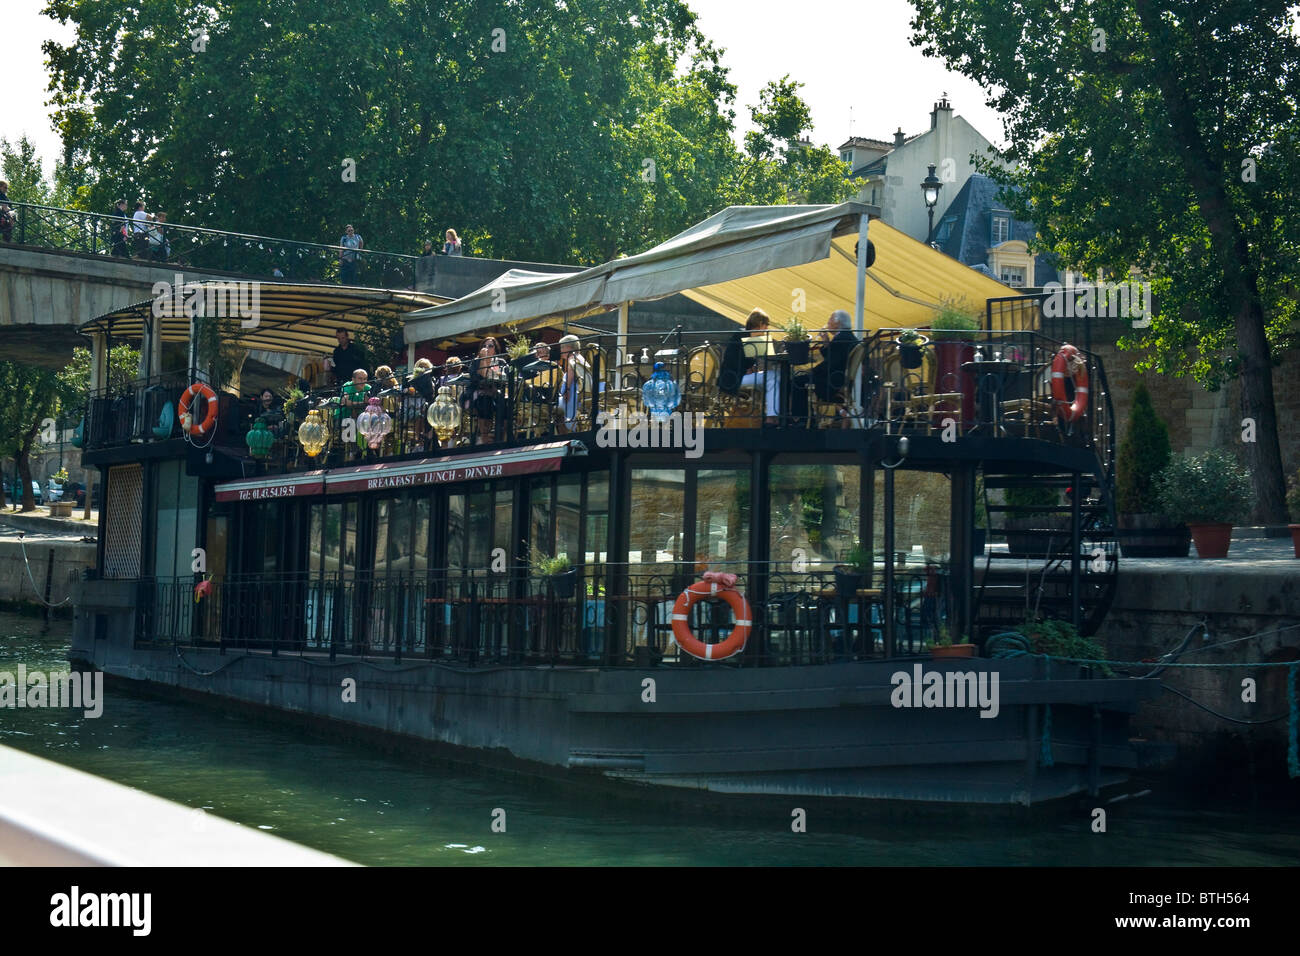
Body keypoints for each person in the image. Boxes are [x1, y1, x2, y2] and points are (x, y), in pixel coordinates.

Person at [792, 310, 859, 423]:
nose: (828, 322)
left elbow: (830, 364)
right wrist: (826, 343)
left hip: (833, 381)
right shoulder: (848, 337)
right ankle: (810, 417)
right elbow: (834, 358)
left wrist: (811, 371)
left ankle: (802, 418)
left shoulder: (841, 339)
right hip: (839, 377)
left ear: (837, 323)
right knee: (803, 378)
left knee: (797, 381)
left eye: (830, 319)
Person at [719, 308, 780, 424]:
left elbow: (751, 361)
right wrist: (745, 370)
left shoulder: (751, 338)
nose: (767, 328)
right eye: (766, 325)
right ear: (760, 324)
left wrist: (753, 367)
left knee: (776, 376)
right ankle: (771, 416)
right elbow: (731, 360)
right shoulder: (740, 337)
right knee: (773, 377)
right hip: (734, 378)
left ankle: (769, 414)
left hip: (739, 376)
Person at [470, 337, 507, 444]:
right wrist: (483, 359)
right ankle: (484, 436)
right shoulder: (476, 362)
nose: (487, 348)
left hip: (497, 392)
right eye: (484, 346)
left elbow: (504, 378)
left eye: (490, 346)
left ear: (495, 349)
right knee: (484, 400)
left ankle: (502, 436)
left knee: (506, 402)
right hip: (480, 392)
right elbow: (482, 375)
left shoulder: (500, 362)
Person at [556, 334, 591, 431]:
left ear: (569, 347)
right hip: (580, 393)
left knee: (554, 409)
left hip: (572, 394)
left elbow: (571, 374)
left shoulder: (572, 359)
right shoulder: (581, 358)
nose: (561, 350)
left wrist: (566, 390)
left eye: (563, 347)